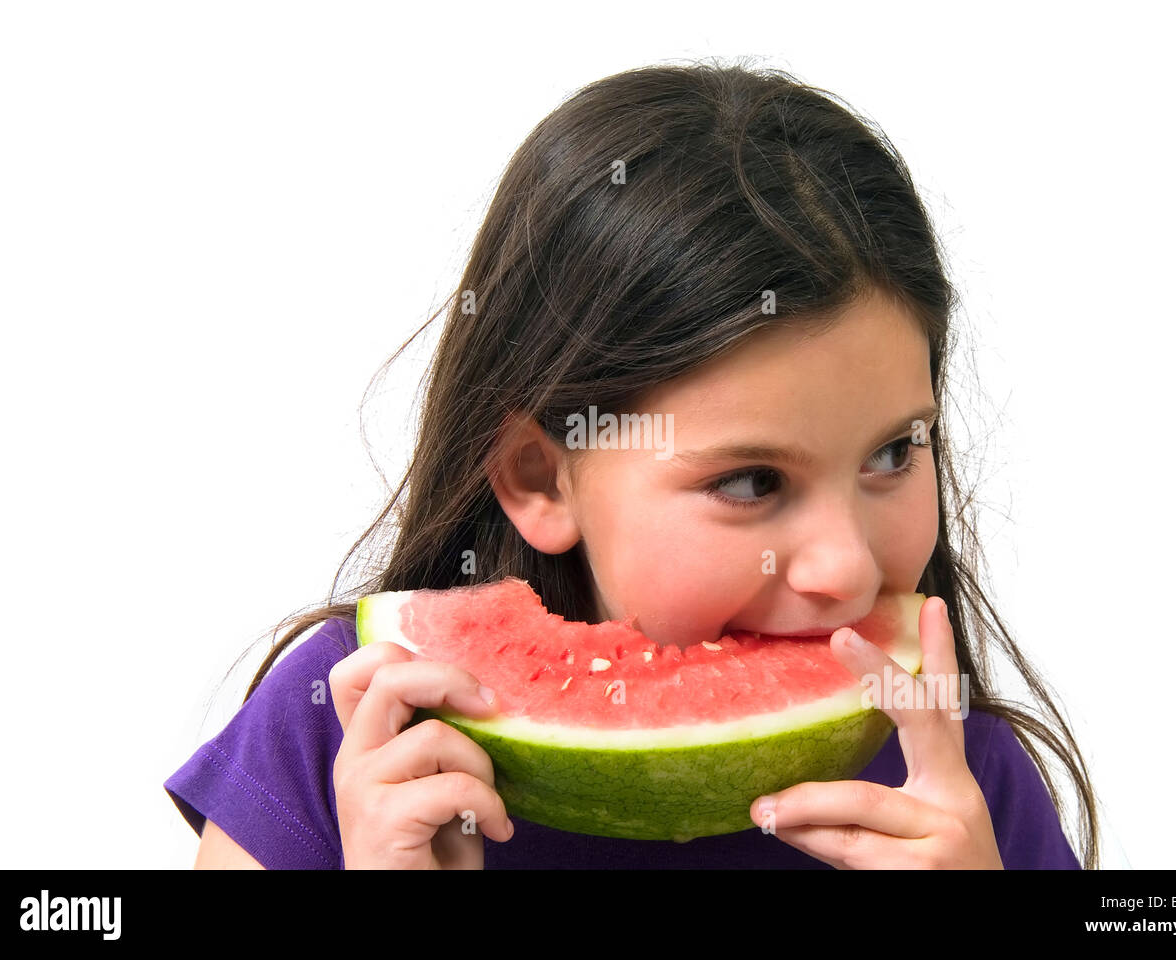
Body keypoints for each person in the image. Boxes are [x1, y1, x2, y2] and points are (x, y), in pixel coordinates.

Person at [165, 60, 1099, 869]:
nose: (846, 567)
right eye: (751, 482)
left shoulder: (967, 785)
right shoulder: (344, 729)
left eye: (895, 452)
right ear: (540, 477)